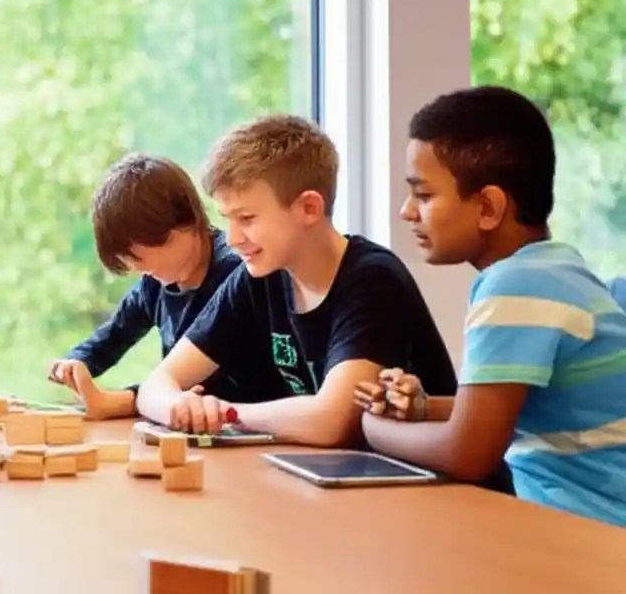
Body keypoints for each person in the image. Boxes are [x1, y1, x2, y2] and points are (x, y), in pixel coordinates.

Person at [354, 85, 626, 526]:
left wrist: (368, 428)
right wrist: (423, 408)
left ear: (487, 207)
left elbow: (467, 454)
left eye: (423, 195)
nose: (407, 211)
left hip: (593, 539)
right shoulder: (555, 269)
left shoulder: (516, 285)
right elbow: (516, 407)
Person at [136, 115, 457, 446]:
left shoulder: (373, 280)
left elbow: (329, 421)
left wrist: (224, 414)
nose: (231, 239)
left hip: (438, 489)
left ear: (308, 208)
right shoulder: (258, 276)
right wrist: (179, 406)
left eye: (247, 218)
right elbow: (155, 385)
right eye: (227, 219)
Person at [46, 154, 240, 419]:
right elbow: (115, 333)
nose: (138, 269)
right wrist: (76, 363)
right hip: (188, 421)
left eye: (139, 257)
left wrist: (123, 400)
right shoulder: (155, 283)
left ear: (185, 225)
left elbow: (211, 385)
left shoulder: (236, 274)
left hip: (241, 419)